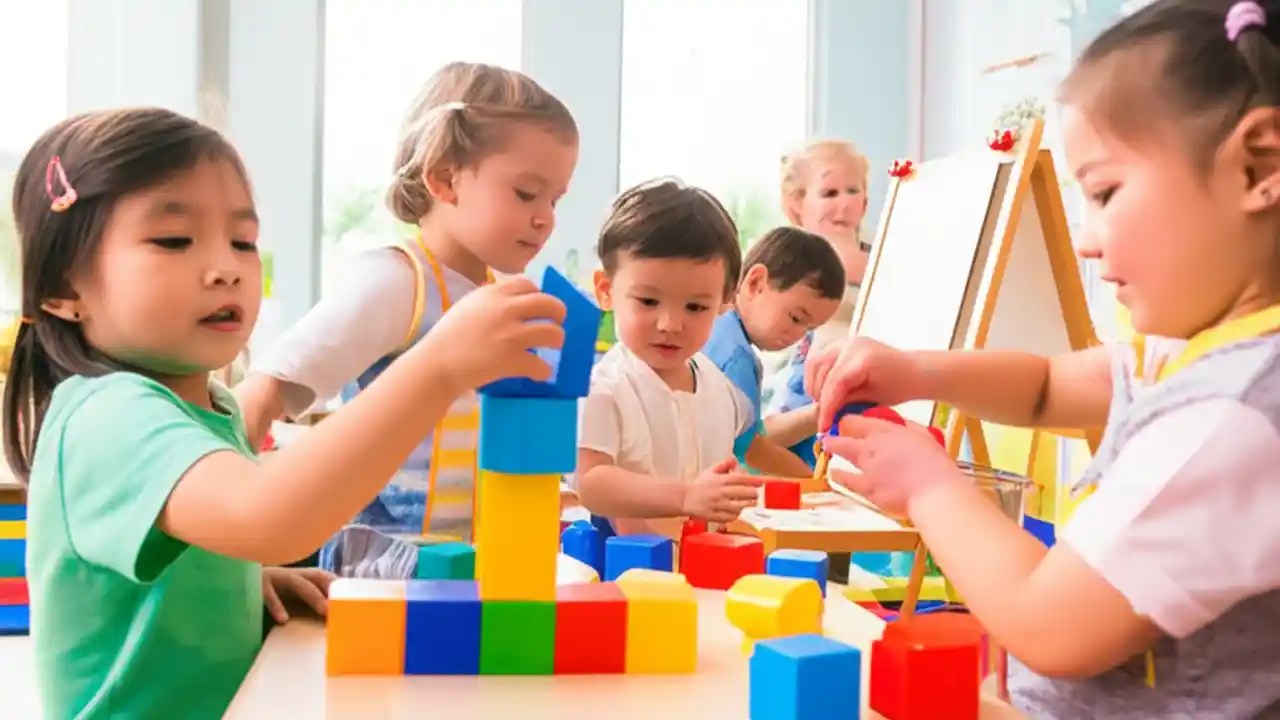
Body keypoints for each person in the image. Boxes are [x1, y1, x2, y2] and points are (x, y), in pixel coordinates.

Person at [3, 107, 566, 718]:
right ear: (63, 290)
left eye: (242, 241)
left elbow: (211, 536)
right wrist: (437, 367)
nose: (225, 269)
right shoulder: (107, 414)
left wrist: (245, 583)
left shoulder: (207, 403)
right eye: (173, 240)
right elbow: (265, 513)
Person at [809, 2, 1280, 715]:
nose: (1087, 241)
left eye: (1106, 193)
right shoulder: (1197, 350)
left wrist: (930, 486)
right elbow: (1052, 383)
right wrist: (919, 370)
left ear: (1258, 166)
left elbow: (1047, 624)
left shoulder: (1235, 417)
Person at [235, 62, 579, 575]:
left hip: (473, 550)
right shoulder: (400, 282)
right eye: (526, 193)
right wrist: (230, 547)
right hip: (383, 553)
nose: (545, 217)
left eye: (555, 200)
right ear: (444, 179)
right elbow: (270, 384)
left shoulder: (496, 296)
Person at [575, 179, 765, 538]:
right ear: (606, 291)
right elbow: (591, 482)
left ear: (725, 302)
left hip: (704, 567)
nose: (670, 324)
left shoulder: (719, 386)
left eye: (695, 307)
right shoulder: (606, 388)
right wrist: (686, 496)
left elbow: (728, 462)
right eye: (648, 301)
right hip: (628, 575)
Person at [702, 226, 844, 479]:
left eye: (809, 329)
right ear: (755, 283)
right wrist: (811, 482)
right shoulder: (738, 359)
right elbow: (750, 448)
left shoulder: (707, 325)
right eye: (796, 318)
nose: (798, 335)